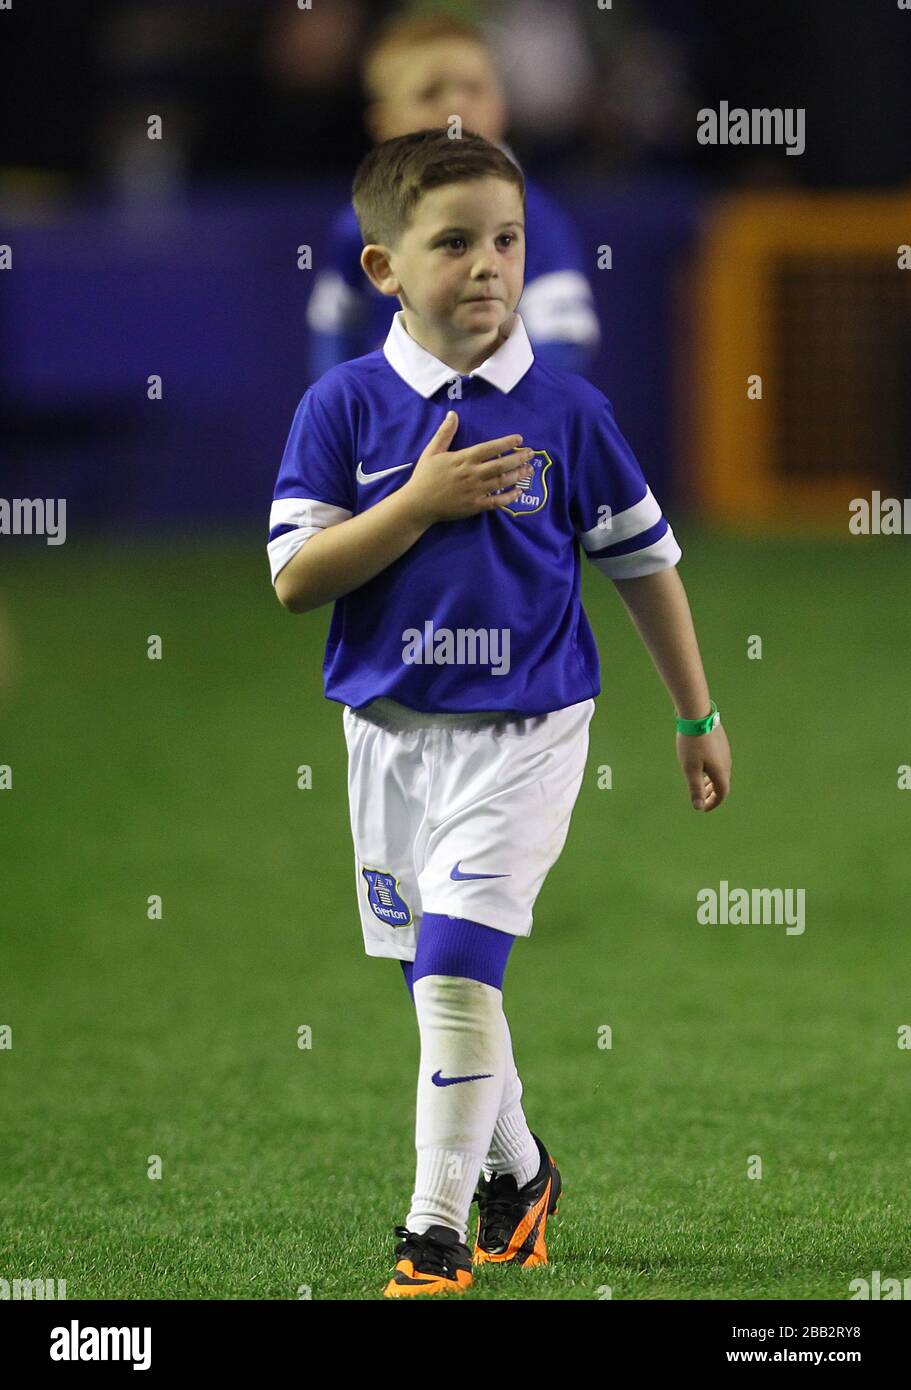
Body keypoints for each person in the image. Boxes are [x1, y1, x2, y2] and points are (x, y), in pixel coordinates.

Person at [267, 128, 731, 1297]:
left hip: (526, 736)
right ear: (383, 268)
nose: (487, 266)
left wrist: (693, 716)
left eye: (507, 241)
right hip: (386, 742)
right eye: (454, 242)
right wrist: (417, 503)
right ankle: (519, 1175)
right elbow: (293, 577)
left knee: (459, 973)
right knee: (434, 974)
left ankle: (430, 1234)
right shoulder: (342, 407)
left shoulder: (566, 412)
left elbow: (643, 565)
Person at [306, 12, 600, 382]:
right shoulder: (359, 223)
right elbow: (336, 330)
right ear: (385, 123)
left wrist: (493, 414)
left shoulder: (533, 219)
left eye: (474, 88)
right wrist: (353, 417)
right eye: (430, 92)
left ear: (502, 104)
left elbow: (564, 342)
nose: (456, 108)